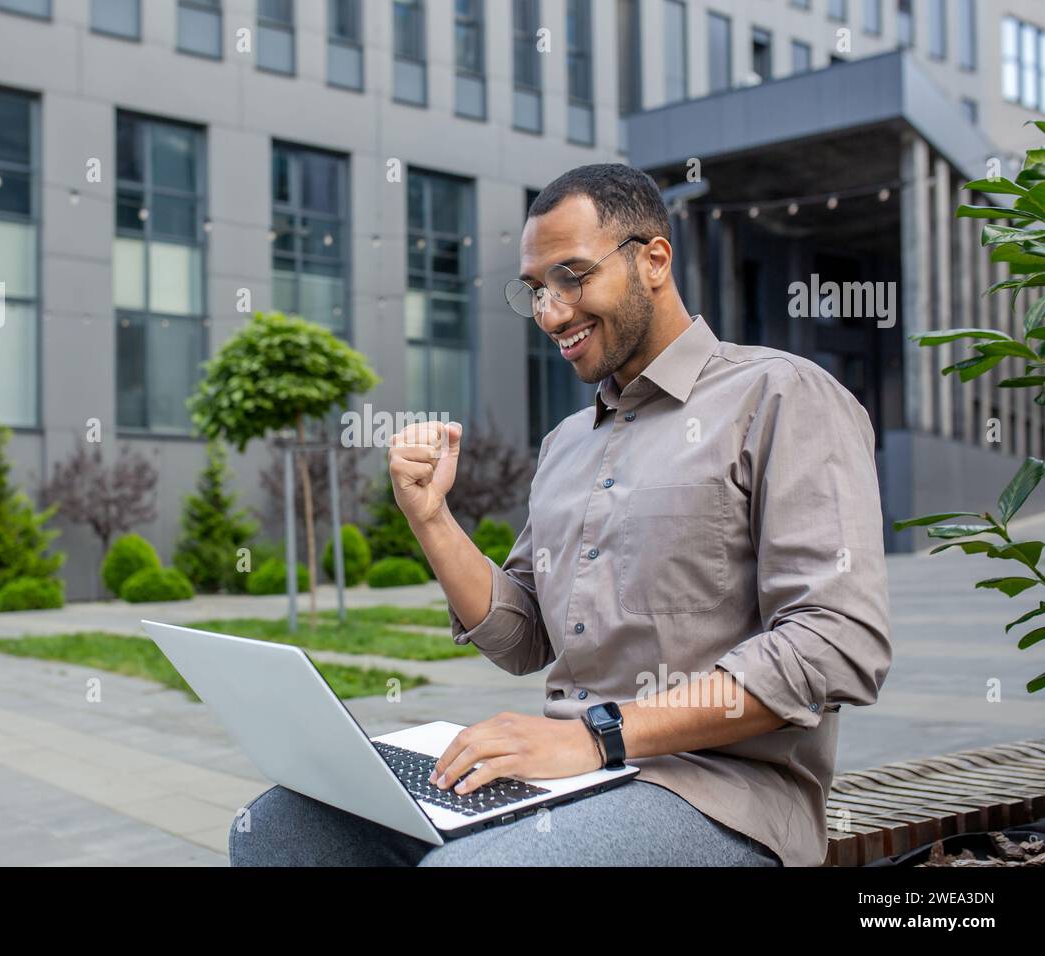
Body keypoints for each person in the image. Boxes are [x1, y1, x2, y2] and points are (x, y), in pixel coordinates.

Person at [230, 163, 891, 867]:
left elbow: (835, 643)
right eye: (537, 291)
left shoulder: (782, 396)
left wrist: (597, 736)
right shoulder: (568, 443)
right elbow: (523, 637)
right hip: (566, 778)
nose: (550, 313)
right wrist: (429, 517)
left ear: (655, 260)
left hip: (723, 795)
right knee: (282, 825)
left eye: (572, 276)